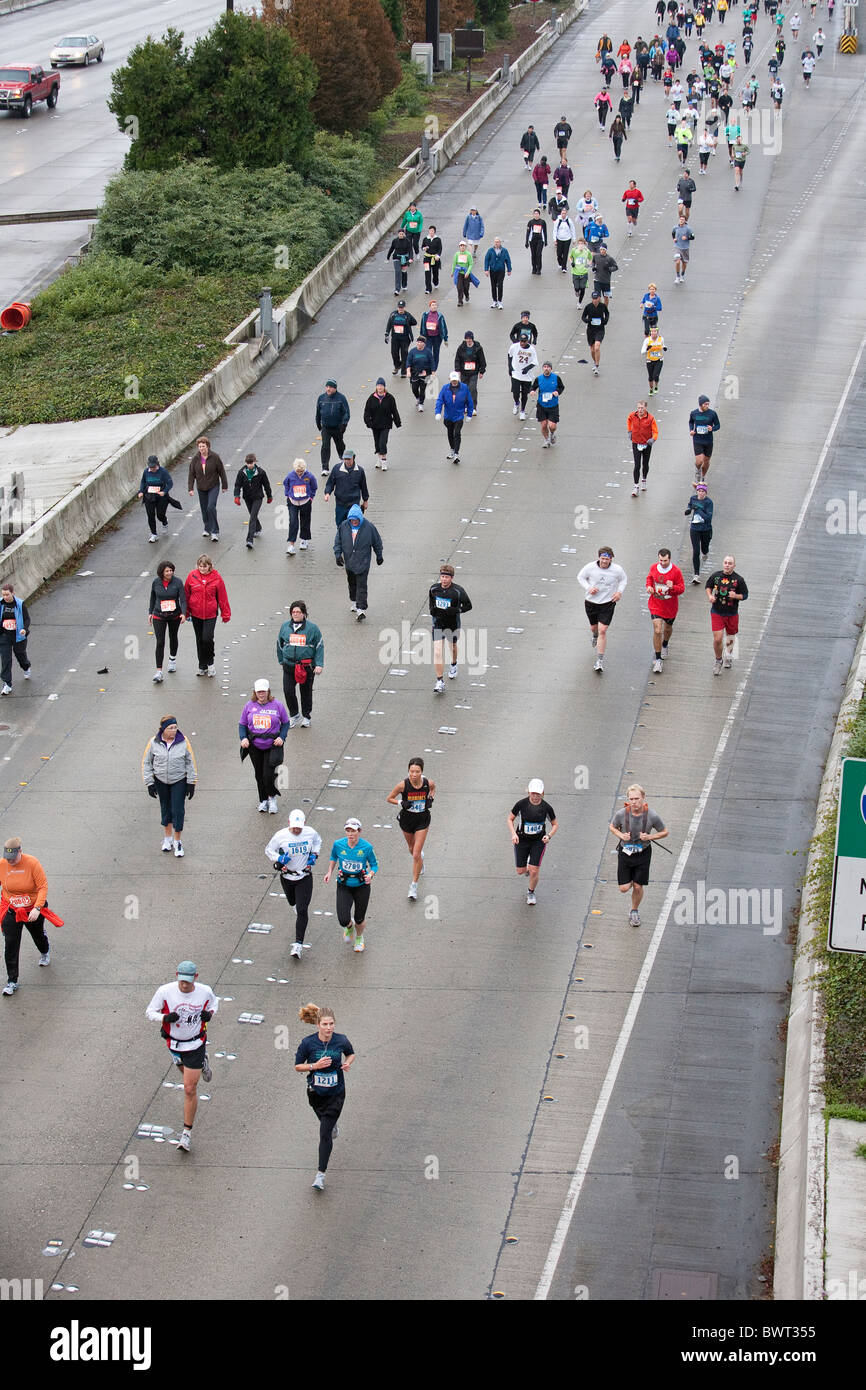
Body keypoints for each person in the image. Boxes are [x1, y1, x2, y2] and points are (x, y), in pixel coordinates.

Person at [146, 962, 217, 1153]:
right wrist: (164, 1018)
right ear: (177, 975)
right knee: (184, 1073)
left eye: (188, 982)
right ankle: (203, 1064)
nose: (184, 985)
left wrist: (208, 1014)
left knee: (189, 1088)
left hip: (195, 1043)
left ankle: (186, 1133)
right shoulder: (165, 991)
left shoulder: (204, 991)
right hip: (174, 1044)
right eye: (181, 981)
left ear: (196, 977)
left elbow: (213, 1004)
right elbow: (150, 1012)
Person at [294, 1003, 355, 1189]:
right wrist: (315, 1066)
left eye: (331, 1024)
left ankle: (320, 1175)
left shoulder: (341, 1040)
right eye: (325, 1024)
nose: (328, 1028)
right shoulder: (308, 1043)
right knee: (325, 1122)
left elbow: (351, 1054)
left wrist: (347, 1063)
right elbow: (298, 1066)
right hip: (316, 1094)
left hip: (336, 1094)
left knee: (324, 1133)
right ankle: (332, 1124)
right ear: (318, 1025)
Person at [266, 810, 322, 958]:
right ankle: (295, 906)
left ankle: (298, 944)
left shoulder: (310, 833)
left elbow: (318, 841)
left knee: (303, 910)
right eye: (294, 827)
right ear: (289, 823)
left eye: (299, 827)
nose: (297, 830)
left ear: (304, 823)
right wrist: (279, 858)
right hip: (287, 877)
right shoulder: (280, 835)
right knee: (293, 902)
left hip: (304, 876)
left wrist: (314, 854)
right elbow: (269, 850)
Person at [609, 785, 669, 926]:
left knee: (637, 886)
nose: (634, 802)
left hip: (643, 853)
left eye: (637, 799)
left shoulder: (652, 815)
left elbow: (665, 832)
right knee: (624, 888)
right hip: (625, 853)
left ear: (643, 798)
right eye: (631, 799)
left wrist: (650, 837)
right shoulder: (621, 814)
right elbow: (612, 826)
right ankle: (633, 879)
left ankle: (634, 911)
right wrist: (621, 835)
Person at [1, 837, 51, 994]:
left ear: (20, 851)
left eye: (13, 858)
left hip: (32, 910)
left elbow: (42, 886)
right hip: (12, 910)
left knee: (37, 937)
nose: (10, 861)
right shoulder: (2, 864)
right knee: (11, 945)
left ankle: (44, 950)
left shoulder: (32, 863)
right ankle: (12, 981)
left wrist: (37, 908)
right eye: (7, 858)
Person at [141, 715, 197, 858]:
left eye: (175, 727)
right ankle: (167, 838)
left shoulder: (184, 741)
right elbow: (147, 763)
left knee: (178, 809)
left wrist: (191, 782)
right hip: (160, 780)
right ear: (163, 729)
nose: (173, 731)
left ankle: (178, 841)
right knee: (165, 808)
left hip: (179, 780)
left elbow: (190, 762)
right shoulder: (153, 742)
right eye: (170, 728)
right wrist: (149, 783)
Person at [324, 818, 378, 953]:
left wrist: (370, 875)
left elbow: (374, 865)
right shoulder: (338, 844)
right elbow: (333, 857)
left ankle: (359, 938)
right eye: (348, 831)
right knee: (343, 919)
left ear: (359, 831)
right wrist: (329, 871)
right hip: (344, 884)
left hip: (361, 886)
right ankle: (349, 927)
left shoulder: (367, 847)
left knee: (359, 918)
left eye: (353, 831)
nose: (350, 834)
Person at [387, 758, 436, 900]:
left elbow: (433, 789)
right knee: (411, 848)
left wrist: (430, 799)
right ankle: (421, 861)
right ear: (408, 771)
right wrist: (401, 802)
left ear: (422, 772)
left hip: (422, 820)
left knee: (415, 854)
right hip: (407, 820)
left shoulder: (428, 783)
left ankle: (413, 887)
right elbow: (389, 798)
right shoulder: (403, 785)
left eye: (417, 771)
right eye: (411, 771)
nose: (414, 774)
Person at [239, 678, 289, 813]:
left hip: (272, 745)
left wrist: (282, 737)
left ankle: (272, 797)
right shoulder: (249, 706)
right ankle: (263, 800)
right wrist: (243, 738)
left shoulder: (277, 705)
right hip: (255, 745)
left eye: (264, 692)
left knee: (268, 775)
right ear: (255, 692)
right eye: (259, 692)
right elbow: (242, 724)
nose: (261, 694)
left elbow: (285, 723)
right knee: (259, 774)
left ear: (268, 692)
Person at [507, 779, 558, 906]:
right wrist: (513, 834)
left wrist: (549, 836)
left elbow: (555, 824)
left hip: (538, 842)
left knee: (534, 870)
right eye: (533, 793)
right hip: (522, 840)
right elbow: (510, 819)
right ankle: (528, 864)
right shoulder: (521, 805)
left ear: (542, 793)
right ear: (528, 792)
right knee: (521, 871)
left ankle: (531, 892)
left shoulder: (546, 807)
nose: (535, 796)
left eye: (538, 794)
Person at [578, 546, 628, 673]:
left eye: (607, 559)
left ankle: (599, 661)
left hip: (607, 603)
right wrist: (589, 588)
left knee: (603, 630)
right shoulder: (590, 567)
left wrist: (619, 592)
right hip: (591, 602)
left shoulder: (617, 569)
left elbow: (623, 580)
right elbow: (580, 577)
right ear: (599, 557)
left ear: (611, 559)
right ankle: (594, 635)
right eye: (603, 558)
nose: (605, 561)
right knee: (594, 628)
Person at [276, 600, 324, 726]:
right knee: (288, 691)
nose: (296, 614)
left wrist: (319, 664)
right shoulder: (285, 627)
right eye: (293, 612)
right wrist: (281, 660)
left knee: (306, 692)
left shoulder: (313, 628)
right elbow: (279, 644)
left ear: (304, 614)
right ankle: (294, 714)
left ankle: (306, 716)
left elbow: (319, 646)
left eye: (298, 612)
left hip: (306, 667)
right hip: (289, 666)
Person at [183, 554, 230, 678]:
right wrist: (185, 612)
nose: (202, 569)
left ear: (210, 566)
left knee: (207, 638)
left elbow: (222, 596)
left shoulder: (217, 578)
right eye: (200, 566)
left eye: (205, 566)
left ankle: (210, 663)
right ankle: (202, 665)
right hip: (196, 613)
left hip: (210, 614)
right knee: (199, 640)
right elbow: (186, 595)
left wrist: (225, 613)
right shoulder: (192, 576)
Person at [334, 504, 384, 621]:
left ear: (360, 518)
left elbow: (377, 541)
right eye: (352, 520)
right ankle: (354, 600)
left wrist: (379, 555)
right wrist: (337, 555)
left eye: (356, 520)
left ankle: (361, 609)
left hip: (363, 562)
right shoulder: (344, 526)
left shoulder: (369, 527)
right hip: (349, 562)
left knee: (361, 585)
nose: (354, 522)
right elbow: (338, 541)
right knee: (352, 583)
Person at [428, 563, 472, 693]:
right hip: (438, 623)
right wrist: (432, 610)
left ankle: (453, 664)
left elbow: (468, 605)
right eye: (442, 576)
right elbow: (431, 601)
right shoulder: (433, 589)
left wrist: (456, 610)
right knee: (437, 651)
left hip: (452, 624)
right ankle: (439, 681)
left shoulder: (458, 591)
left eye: (446, 577)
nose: (444, 579)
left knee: (452, 646)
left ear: (451, 578)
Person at [646, 548, 685, 672]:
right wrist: (649, 587)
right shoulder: (653, 567)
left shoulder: (676, 571)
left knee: (667, 628)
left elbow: (682, 588)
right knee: (657, 630)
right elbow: (649, 579)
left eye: (665, 560)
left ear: (670, 559)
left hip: (670, 606)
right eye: (661, 560)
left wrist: (672, 587)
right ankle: (658, 660)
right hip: (655, 604)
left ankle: (665, 644)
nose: (662, 563)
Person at [148, 560, 186, 683]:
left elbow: (183, 599)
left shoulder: (178, 582)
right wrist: (150, 613)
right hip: (159, 615)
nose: (169, 573)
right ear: (162, 572)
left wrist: (183, 613)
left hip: (174, 615)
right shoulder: (156, 582)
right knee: (160, 641)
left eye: (171, 570)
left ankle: (172, 660)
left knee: (173, 636)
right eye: (167, 571)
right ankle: (159, 671)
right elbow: (152, 598)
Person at [187, 436, 228, 543]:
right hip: (201, 487)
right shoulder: (195, 459)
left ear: (207, 446)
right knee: (204, 509)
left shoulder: (215, 457)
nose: (201, 448)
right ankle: (207, 528)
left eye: (203, 446)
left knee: (211, 507)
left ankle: (214, 531)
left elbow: (221, 471)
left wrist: (224, 485)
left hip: (213, 486)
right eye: (200, 446)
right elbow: (191, 474)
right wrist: (190, 488)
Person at [233, 453, 273, 550]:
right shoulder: (241, 472)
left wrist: (269, 496)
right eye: (248, 463)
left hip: (258, 497)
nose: (250, 465)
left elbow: (266, 485)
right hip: (247, 497)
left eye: (251, 463)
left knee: (252, 517)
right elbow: (237, 485)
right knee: (252, 514)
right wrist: (236, 496)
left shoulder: (261, 472)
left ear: (255, 462)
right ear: (245, 462)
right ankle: (258, 527)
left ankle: (249, 540)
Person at [434, 371, 474, 463]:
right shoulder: (445, 388)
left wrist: (469, 414)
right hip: (448, 416)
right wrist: (438, 412)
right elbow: (440, 401)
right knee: (450, 433)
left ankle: (456, 453)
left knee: (457, 433)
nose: (454, 382)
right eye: (453, 380)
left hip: (459, 416)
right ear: (450, 380)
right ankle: (452, 449)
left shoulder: (464, 388)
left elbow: (469, 402)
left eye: (456, 380)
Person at [363, 378, 401, 472]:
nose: (380, 387)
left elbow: (394, 410)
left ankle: (384, 461)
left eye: (381, 385)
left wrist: (397, 422)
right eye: (378, 385)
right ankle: (379, 459)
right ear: (376, 387)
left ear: (384, 387)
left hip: (386, 424)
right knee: (377, 443)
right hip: (375, 425)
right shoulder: (371, 398)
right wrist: (368, 422)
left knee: (382, 442)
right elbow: (367, 412)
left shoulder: (390, 398)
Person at [323, 450, 369, 527]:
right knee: (340, 524)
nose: (347, 461)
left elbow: (363, 487)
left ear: (353, 458)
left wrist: (365, 500)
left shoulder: (360, 471)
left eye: (349, 459)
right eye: (345, 459)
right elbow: (330, 483)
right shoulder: (337, 469)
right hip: (340, 504)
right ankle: (341, 538)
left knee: (353, 525)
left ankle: (352, 538)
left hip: (354, 504)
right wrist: (327, 493)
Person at [0, 582, 31, 696]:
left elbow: (27, 619)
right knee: (5, 660)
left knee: (20, 655)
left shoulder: (19, 604)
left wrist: (24, 629)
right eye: (3, 594)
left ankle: (26, 667)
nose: (5, 597)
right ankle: (7, 684)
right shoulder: (1, 603)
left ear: (13, 593)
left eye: (7, 594)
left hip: (18, 636)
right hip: (4, 636)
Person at [315, 379, 350, 478]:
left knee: (340, 445)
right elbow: (318, 411)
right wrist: (318, 423)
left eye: (330, 387)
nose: (328, 389)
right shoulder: (321, 398)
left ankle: (343, 461)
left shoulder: (341, 398)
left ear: (335, 388)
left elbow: (346, 412)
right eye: (327, 387)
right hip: (326, 427)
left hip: (337, 427)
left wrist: (344, 424)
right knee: (325, 446)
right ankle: (325, 467)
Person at [137, 454, 176, 543]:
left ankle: (164, 522)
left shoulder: (163, 472)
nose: (152, 469)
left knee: (160, 514)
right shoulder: (146, 472)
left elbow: (170, 483)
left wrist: (164, 492)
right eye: (150, 467)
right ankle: (154, 534)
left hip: (161, 496)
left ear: (157, 464)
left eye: (153, 467)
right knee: (150, 515)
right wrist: (141, 491)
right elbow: (143, 482)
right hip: (149, 496)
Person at [283, 457, 317, 556]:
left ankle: (304, 540)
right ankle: (291, 545)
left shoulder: (310, 476)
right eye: (297, 471)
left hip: (305, 502)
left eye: (301, 471)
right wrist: (287, 495)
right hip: (292, 502)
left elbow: (314, 487)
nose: (299, 473)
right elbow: (286, 484)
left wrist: (311, 498)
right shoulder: (290, 476)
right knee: (293, 522)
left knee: (305, 521)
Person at [627, 400, 659, 495]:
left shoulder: (651, 418)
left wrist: (652, 439)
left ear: (646, 408)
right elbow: (628, 420)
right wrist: (629, 431)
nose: (640, 410)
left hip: (646, 444)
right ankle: (636, 486)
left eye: (642, 408)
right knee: (637, 465)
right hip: (636, 443)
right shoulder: (633, 415)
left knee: (645, 463)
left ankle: (644, 480)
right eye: (638, 408)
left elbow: (656, 432)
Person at [531, 362, 565, 449]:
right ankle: (546, 440)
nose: (546, 368)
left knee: (552, 426)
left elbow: (561, 387)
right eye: (545, 367)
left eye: (548, 367)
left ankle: (552, 434)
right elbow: (533, 387)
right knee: (543, 425)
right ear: (542, 368)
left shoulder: (556, 378)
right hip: (541, 405)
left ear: (551, 369)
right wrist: (532, 391)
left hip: (553, 405)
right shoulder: (539, 379)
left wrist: (557, 392)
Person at [685, 481, 714, 583]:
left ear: (705, 493)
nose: (701, 493)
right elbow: (690, 505)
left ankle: (705, 552)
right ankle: (696, 575)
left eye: (703, 491)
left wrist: (699, 510)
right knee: (696, 551)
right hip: (695, 529)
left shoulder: (709, 503)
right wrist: (688, 509)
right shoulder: (693, 498)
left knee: (704, 549)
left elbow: (708, 518)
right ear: (697, 491)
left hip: (706, 529)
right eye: (699, 491)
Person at [689, 394, 722, 481]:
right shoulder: (694, 413)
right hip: (697, 440)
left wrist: (712, 428)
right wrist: (691, 430)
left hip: (708, 441)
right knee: (700, 461)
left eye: (708, 404)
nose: (707, 406)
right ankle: (697, 471)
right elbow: (691, 422)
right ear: (700, 404)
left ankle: (702, 477)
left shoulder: (712, 414)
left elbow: (718, 425)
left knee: (706, 461)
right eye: (705, 404)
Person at [508, 332, 539, 419]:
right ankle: (516, 403)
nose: (522, 343)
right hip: (516, 373)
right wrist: (510, 367)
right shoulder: (514, 346)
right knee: (515, 392)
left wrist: (527, 368)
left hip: (527, 376)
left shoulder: (532, 349)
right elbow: (509, 355)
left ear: (527, 341)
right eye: (521, 341)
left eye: (524, 341)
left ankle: (522, 410)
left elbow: (535, 362)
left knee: (525, 394)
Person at [454, 331, 487, 411]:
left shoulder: (478, 348)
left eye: (470, 339)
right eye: (467, 339)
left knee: (472, 388)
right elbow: (457, 359)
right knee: (464, 389)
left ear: (472, 339)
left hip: (474, 372)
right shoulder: (461, 348)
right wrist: (458, 370)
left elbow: (482, 360)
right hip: (464, 372)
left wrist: (481, 371)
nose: (468, 340)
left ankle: (473, 407)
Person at [384, 299, 417, 377]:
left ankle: (403, 371)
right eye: (399, 307)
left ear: (404, 307)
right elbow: (389, 324)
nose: (400, 309)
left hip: (405, 338)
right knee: (394, 353)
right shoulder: (393, 314)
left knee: (404, 354)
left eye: (402, 307)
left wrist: (408, 324)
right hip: (395, 338)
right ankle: (397, 366)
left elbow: (414, 322)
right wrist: (386, 334)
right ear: (397, 307)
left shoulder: (407, 315)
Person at [582, 291, 610, 376]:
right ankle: (595, 362)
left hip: (600, 329)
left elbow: (607, 313)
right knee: (592, 349)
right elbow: (583, 317)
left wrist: (605, 321)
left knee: (597, 347)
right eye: (593, 299)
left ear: (599, 298)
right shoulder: (588, 307)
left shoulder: (602, 306)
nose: (594, 300)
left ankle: (597, 366)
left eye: (596, 298)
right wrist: (587, 320)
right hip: (591, 330)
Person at [407, 335, 435, 413]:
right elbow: (408, 362)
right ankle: (418, 398)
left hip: (425, 373)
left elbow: (432, 362)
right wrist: (408, 371)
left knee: (422, 389)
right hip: (414, 373)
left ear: (424, 344)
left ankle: (421, 404)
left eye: (421, 342)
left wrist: (433, 372)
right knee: (414, 388)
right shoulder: (412, 351)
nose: (419, 344)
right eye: (418, 342)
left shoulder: (428, 352)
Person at [483, 237, 512, 309]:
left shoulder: (504, 250)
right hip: (493, 270)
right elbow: (486, 260)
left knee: (500, 285)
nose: (496, 243)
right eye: (495, 242)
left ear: (500, 243)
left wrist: (509, 269)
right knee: (493, 286)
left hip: (501, 270)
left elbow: (508, 260)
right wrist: (486, 269)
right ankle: (494, 301)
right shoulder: (490, 250)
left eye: (498, 242)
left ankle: (500, 301)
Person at [641, 324, 667, 396]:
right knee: (650, 376)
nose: (653, 333)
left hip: (659, 360)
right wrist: (647, 349)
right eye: (652, 332)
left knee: (656, 375)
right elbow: (642, 352)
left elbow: (663, 345)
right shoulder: (647, 340)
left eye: (655, 332)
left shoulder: (661, 339)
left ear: (657, 332)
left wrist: (664, 348)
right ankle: (651, 388)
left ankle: (656, 386)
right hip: (650, 360)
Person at [421, 300, 448, 370]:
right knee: (428, 352)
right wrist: (422, 338)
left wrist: (445, 339)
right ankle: (428, 368)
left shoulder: (440, 316)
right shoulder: (425, 315)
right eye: (432, 305)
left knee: (436, 353)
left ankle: (434, 369)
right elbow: (422, 327)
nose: (434, 306)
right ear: (429, 306)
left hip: (437, 338)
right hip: (428, 337)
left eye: (435, 305)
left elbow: (444, 327)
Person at [386, 225, 413, 294]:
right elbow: (391, 249)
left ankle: (404, 285)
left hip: (404, 259)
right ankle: (397, 289)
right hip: (396, 258)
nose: (401, 235)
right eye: (400, 234)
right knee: (398, 272)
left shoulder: (407, 241)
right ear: (398, 234)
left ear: (404, 234)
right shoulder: (395, 241)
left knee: (404, 272)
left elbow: (410, 250)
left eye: (402, 234)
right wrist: (388, 257)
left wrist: (410, 258)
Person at [553, 205, 577, 273]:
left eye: (565, 213)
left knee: (565, 253)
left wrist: (574, 239)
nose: (563, 215)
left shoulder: (569, 221)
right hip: (559, 238)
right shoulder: (558, 221)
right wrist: (555, 239)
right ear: (560, 214)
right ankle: (560, 262)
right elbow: (555, 230)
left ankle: (564, 267)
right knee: (559, 253)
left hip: (567, 239)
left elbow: (572, 230)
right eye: (562, 213)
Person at [569, 237, 593, 303]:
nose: (580, 245)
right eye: (579, 243)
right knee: (577, 287)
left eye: (582, 243)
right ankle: (576, 291)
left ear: (584, 244)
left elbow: (591, 258)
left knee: (582, 288)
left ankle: (579, 302)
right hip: (575, 272)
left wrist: (588, 264)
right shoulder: (574, 250)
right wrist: (572, 263)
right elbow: (570, 257)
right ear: (577, 244)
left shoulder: (587, 251)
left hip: (584, 272)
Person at [672, 215, 695, 282]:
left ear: (685, 221)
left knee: (684, 263)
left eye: (683, 220)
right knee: (677, 262)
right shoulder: (675, 227)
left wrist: (687, 238)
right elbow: (673, 233)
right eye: (680, 219)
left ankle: (682, 275)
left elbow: (693, 237)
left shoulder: (688, 228)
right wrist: (674, 238)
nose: (681, 221)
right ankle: (677, 276)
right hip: (677, 247)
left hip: (685, 248)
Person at [525, 207, 548, 275]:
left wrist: (545, 241)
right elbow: (528, 232)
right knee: (533, 255)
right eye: (535, 213)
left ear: (539, 214)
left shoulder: (542, 222)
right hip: (532, 240)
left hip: (540, 240)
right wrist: (526, 242)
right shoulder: (530, 222)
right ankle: (534, 268)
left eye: (537, 213)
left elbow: (545, 232)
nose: (536, 215)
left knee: (538, 254)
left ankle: (539, 269)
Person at [421, 227, 442, 294]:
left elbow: (440, 249)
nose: (431, 232)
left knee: (435, 272)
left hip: (435, 258)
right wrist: (424, 248)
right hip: (427, 258)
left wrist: (438, 255)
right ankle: (428, 288)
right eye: (430, 231)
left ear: (434, 232)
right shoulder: (425, 239)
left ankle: (435, 282)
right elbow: (422, 247)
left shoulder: (438, 239)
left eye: (432, 231)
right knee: (427, 273)